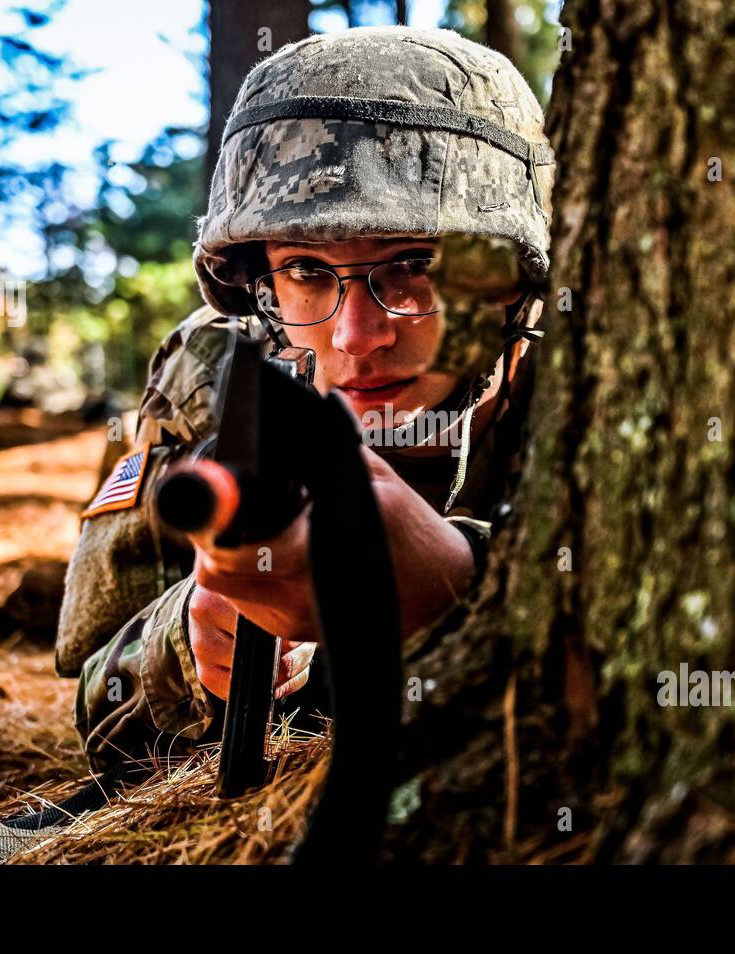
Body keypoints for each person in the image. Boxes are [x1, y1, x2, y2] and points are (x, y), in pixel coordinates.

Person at [55, 25, 555, 774]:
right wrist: (188, 646)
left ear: (514, 276)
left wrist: (462, 586)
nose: (356, 336)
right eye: (307, 270)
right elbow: (98, 703)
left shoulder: (599, 384)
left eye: (414, 264)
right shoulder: (215, 374)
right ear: (259, 285)